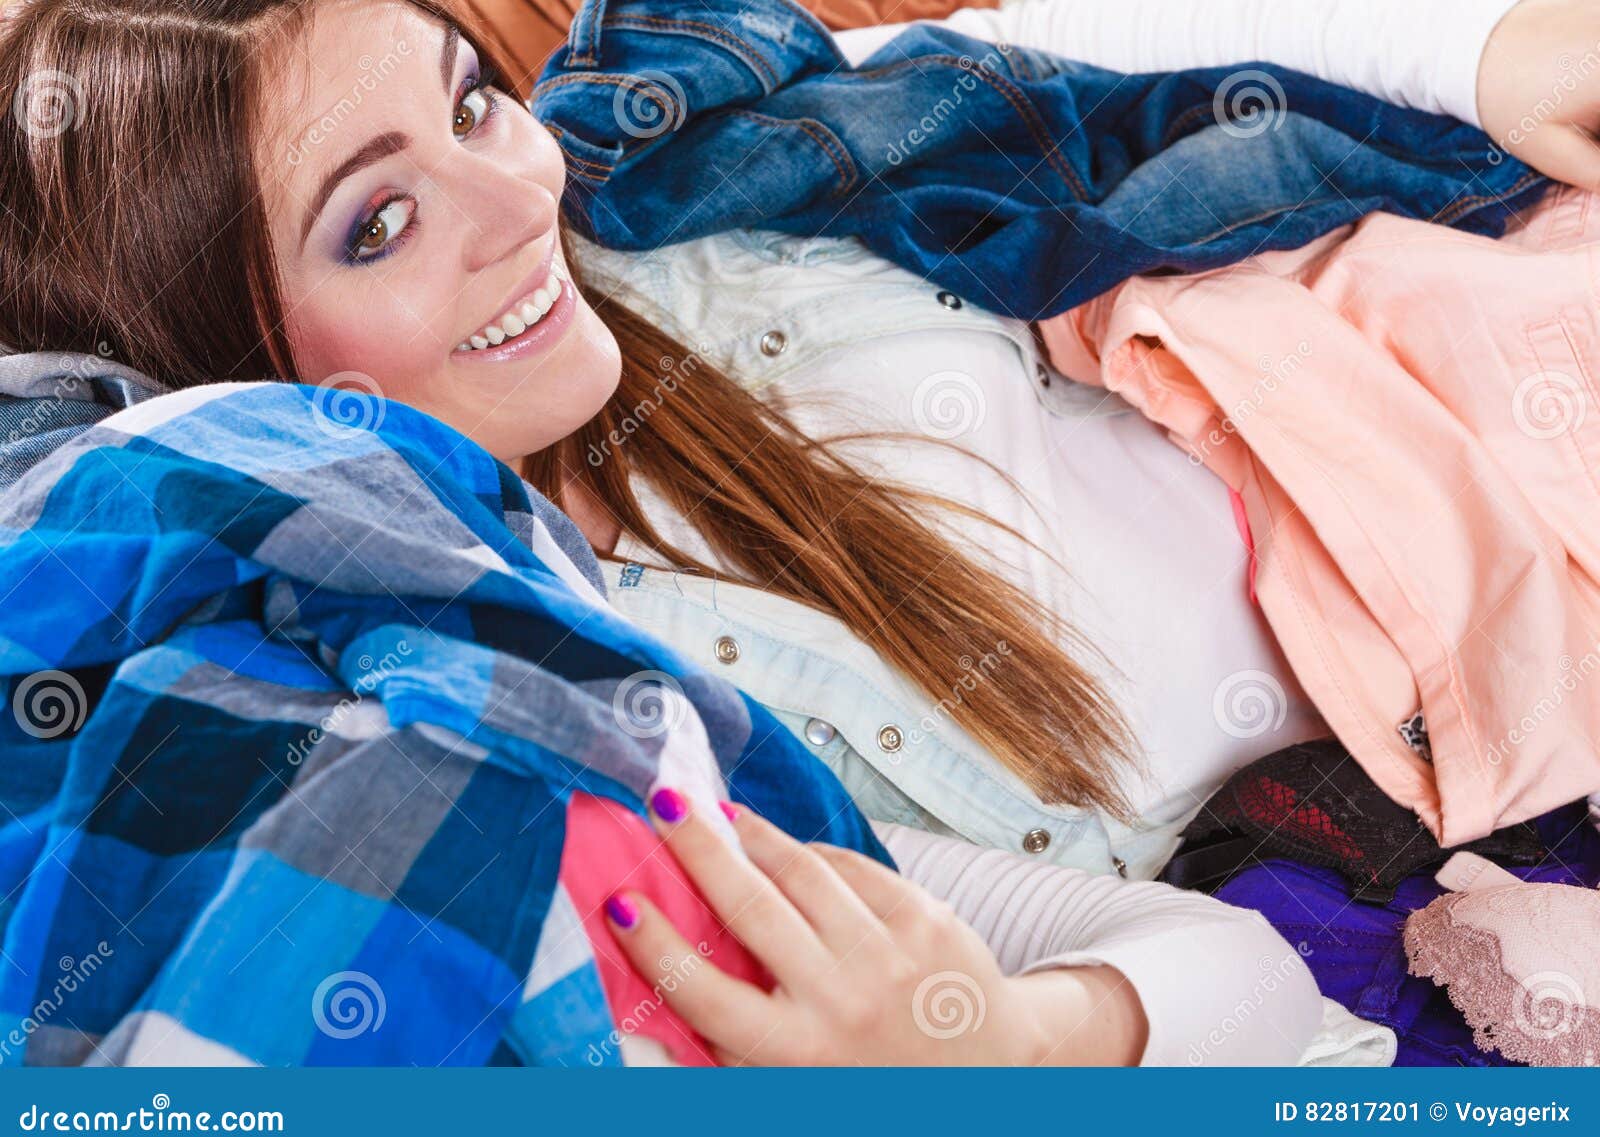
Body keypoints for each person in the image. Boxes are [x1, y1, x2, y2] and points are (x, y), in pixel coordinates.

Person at [0, 0, 1581, 1064]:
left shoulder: (679, 187)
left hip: (1486, 289)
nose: (514, 195)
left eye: (472, 104)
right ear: (235, 361)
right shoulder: (588, 694)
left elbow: (1025, 50)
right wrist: (996, 1043)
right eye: (381, 222)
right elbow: (1234, 982)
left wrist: (1489, 46)